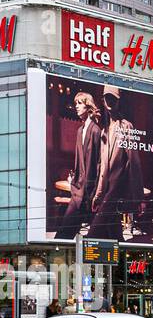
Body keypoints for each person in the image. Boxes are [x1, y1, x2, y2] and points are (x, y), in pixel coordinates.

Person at [87, 86, 146, 241]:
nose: (110, 101)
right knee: (114, 235)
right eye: (107, 97)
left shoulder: (127, 127)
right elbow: (103, 169)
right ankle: (121, 264)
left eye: (113, 98)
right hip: (106, 191)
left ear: (119, 101)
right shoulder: (104, 131)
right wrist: (98, 195)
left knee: (92, 236)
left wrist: (139, 197)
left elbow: (134, 163)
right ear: (103, 101)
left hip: (117, 189)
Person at [55, 91, 102, 239]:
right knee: (68, 230)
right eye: (75, 104)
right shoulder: (80, 131)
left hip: (88, 191)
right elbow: (78, 161)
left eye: (79, 103)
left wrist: (92, 192)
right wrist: (75, 180)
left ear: (88, 106)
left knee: (66, 230)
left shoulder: (95, 131)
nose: (76, 107)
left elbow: (98, 163)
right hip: (78, 189)